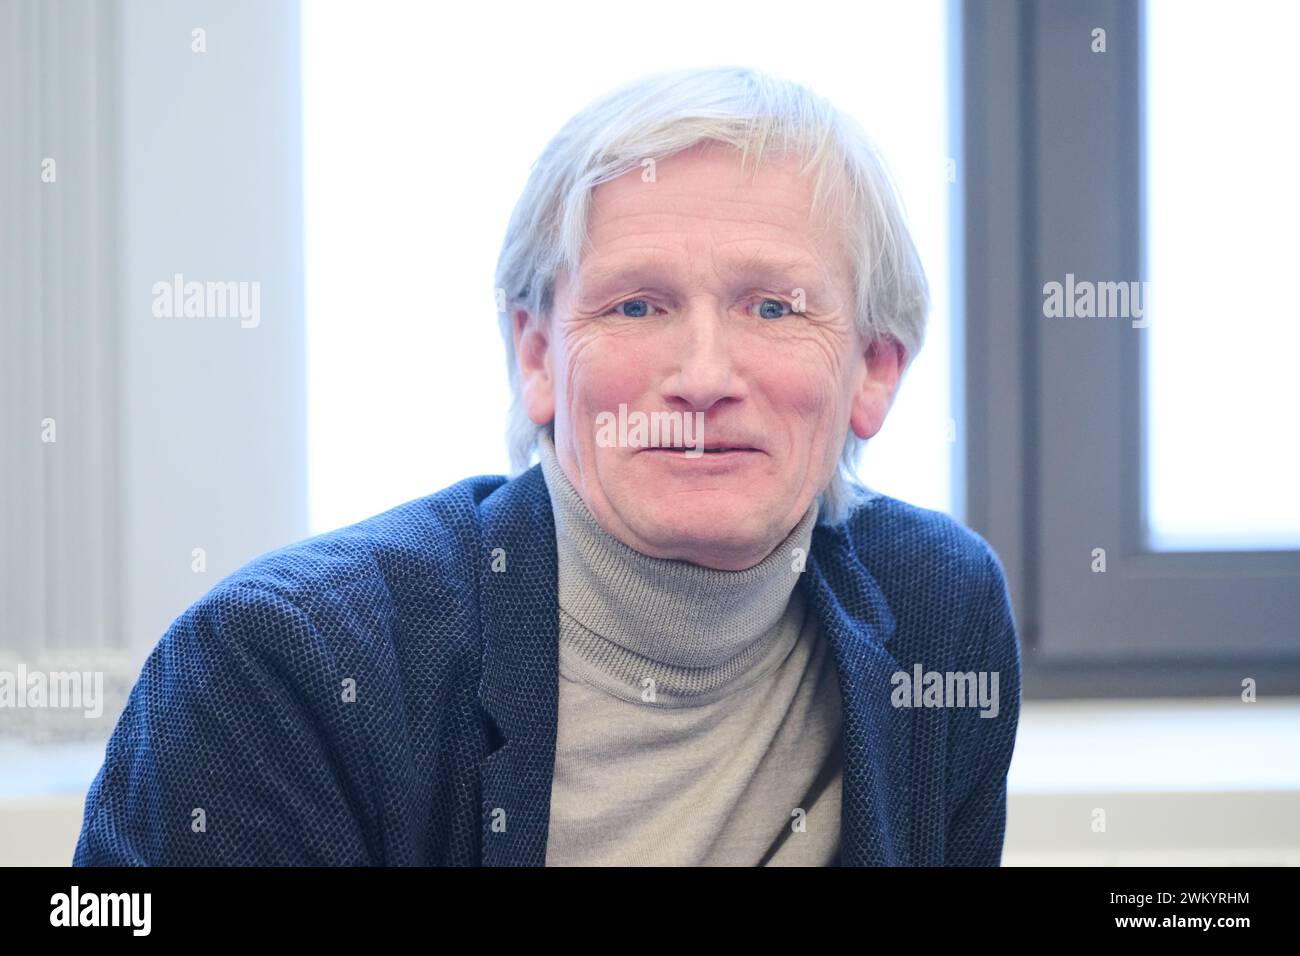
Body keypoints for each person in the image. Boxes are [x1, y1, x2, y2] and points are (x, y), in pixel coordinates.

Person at [74, 65, 1020, 866]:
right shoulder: (281, 669)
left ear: (875, 371)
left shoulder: (941, 613)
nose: (701, 377)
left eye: (772, 308)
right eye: (636, 307)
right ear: (536, 357)